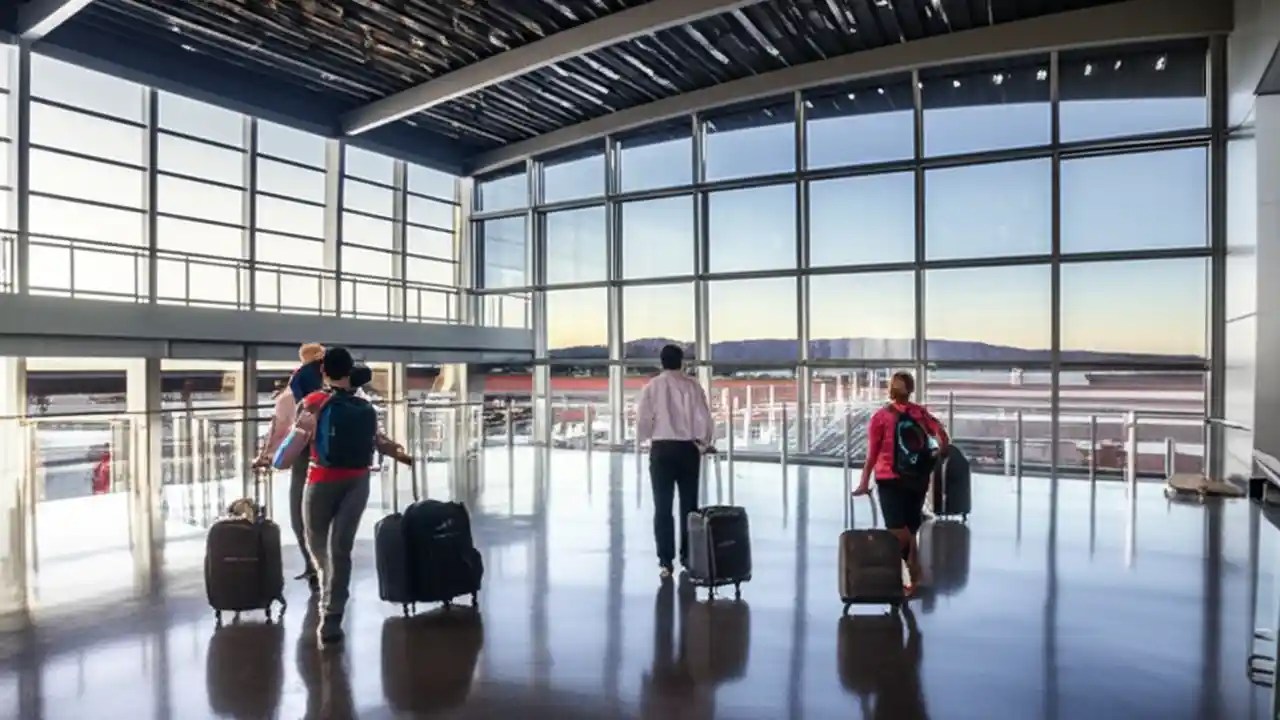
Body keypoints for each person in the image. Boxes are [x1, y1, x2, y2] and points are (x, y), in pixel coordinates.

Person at [293, 346, 411, 646]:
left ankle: (326, 595)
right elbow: (378, 439)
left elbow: (296, 443)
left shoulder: (313, 402)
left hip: (320, 480)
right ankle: (332, 617)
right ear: (349, 371)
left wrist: (271, 458)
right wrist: (400, 453)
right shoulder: (363, 404)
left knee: (318, 547)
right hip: (358, 482)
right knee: (341, 548)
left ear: (323, 371)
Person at [852, 371, 949, 596]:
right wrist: (940, 450)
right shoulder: (919, 413)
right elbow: (941, 434)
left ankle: (912, 574)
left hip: (889, 477)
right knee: (908, 530)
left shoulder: (881, 416)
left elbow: (872, 454)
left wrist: (864, 482)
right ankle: (910, 579)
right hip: (917, 477)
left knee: (898, 530)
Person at [635, 344, 714, 578]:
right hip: (687, 450)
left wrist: (646, 438)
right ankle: (688, 558)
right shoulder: (692, 386)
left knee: (662, 506)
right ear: (682, 362)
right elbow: (704, 418)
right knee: (689, 506)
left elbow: (643, 421)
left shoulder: (652, 387)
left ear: (661, 362)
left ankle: (665, 562)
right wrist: (702, 443)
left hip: (662, 449)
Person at [255, 342, 327, 590]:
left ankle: (311, 564)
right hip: (329, 458)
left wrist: (265, 455)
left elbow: (277, 432)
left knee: (299, 512)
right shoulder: (335, 390)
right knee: (326, 512)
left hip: (302, 457)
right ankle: (329, 565)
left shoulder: (290, 395)